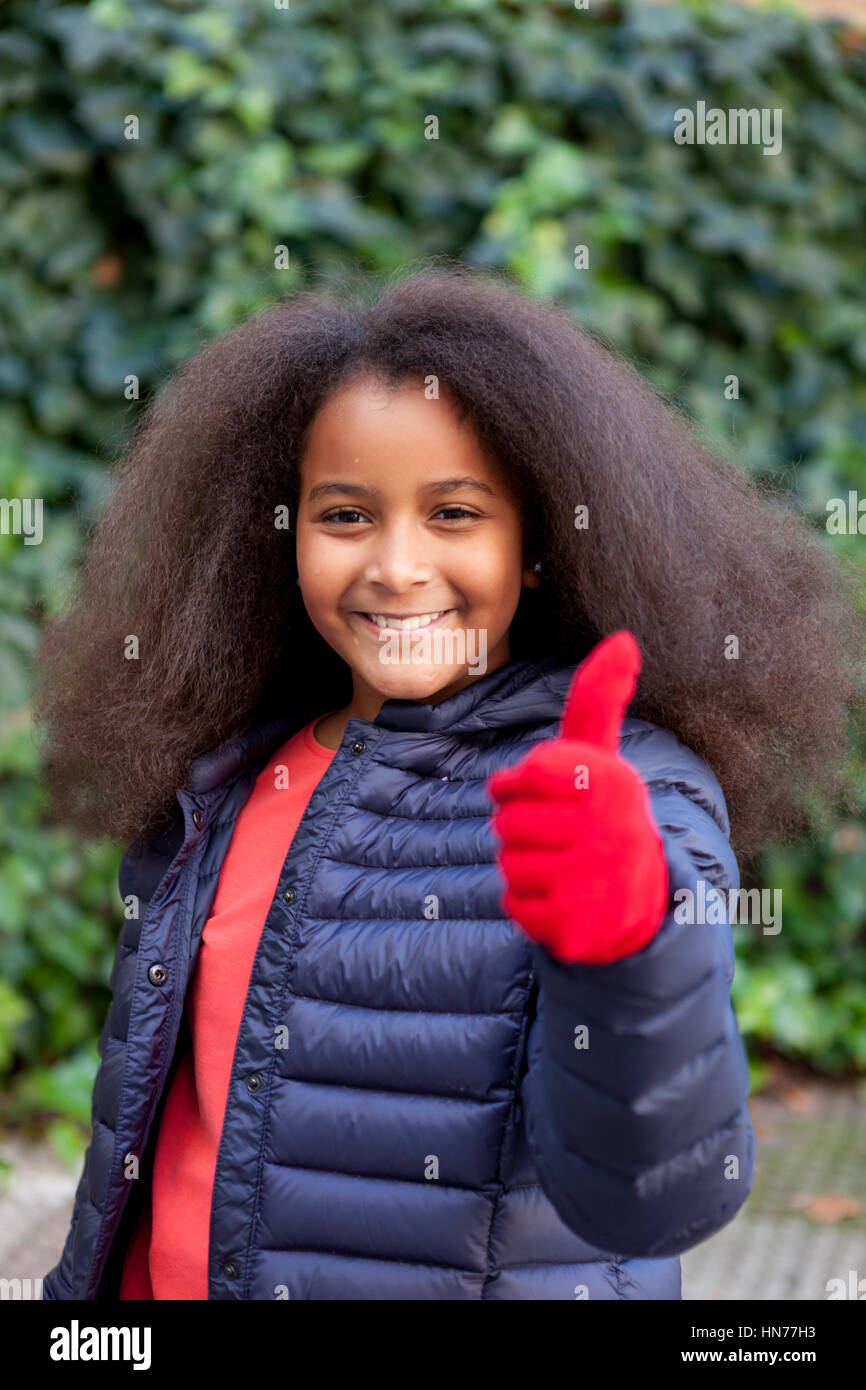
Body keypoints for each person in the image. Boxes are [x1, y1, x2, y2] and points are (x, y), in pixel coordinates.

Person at [34, 262, 863, 1300]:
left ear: (535, 547)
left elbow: (654, 1196)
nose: (395, 564)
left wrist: (623, 941)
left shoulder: (614, 792)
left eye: (454, 514)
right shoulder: (225, 781)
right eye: (344, 515)